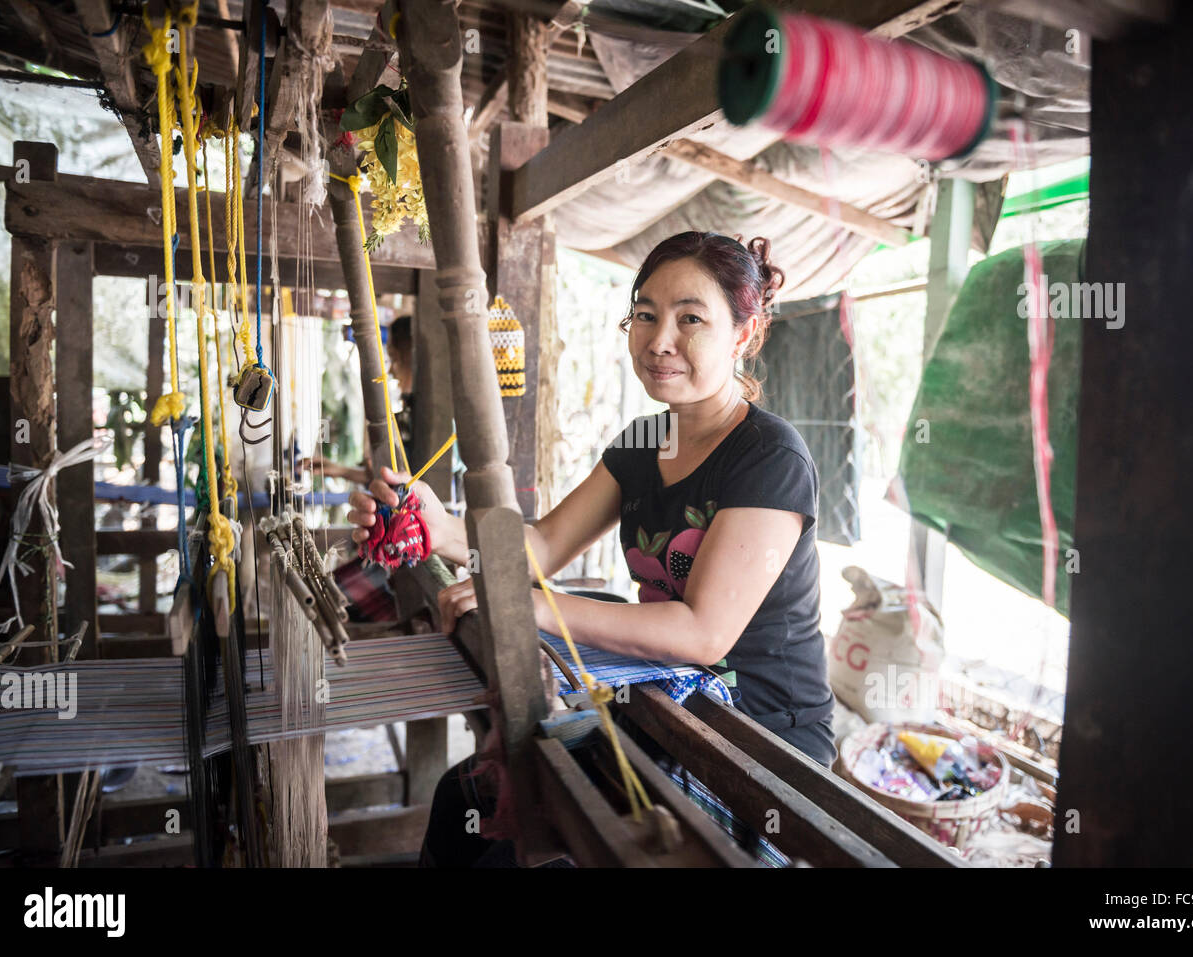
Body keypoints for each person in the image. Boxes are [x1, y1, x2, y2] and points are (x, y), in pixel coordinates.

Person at [349, 232, 837, 864]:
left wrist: (528, 606)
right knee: (462, 801)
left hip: (757, 740)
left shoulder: (770, 458)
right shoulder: (642, 443)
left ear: (743, 334)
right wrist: (438, 527)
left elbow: (701, 633)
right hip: (667, 705)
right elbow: (542, 543)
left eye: (691, 319)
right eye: (646, 315)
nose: (659, 340)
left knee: (528, 846)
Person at [307, 313, 414, 482]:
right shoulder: (410, 410)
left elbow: (406, 483)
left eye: (394, 358)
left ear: (411, 358)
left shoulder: (423, 420)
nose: (391, 371)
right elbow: (391, 479)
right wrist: (339, 470)